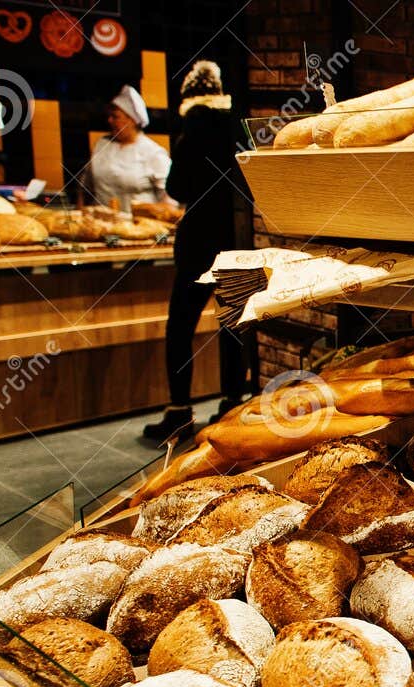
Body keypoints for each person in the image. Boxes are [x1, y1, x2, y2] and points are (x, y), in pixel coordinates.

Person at [144, 61, 251, 442]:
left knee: (181, 326)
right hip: (238, 237)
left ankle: (179, 411)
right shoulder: (240, 126)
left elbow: (177, 187)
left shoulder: (193, 129)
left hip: (198, 239)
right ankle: (233, 403)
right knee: (235, 323)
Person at [85, 86, 170, 213]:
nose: (110, 121)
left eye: (115, 117)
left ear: (132, 120)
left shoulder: (154, 153)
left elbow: (168, 201)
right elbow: (85, 186)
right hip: (103, 225)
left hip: (139, 227)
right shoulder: (102, 145)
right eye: (109, 116)